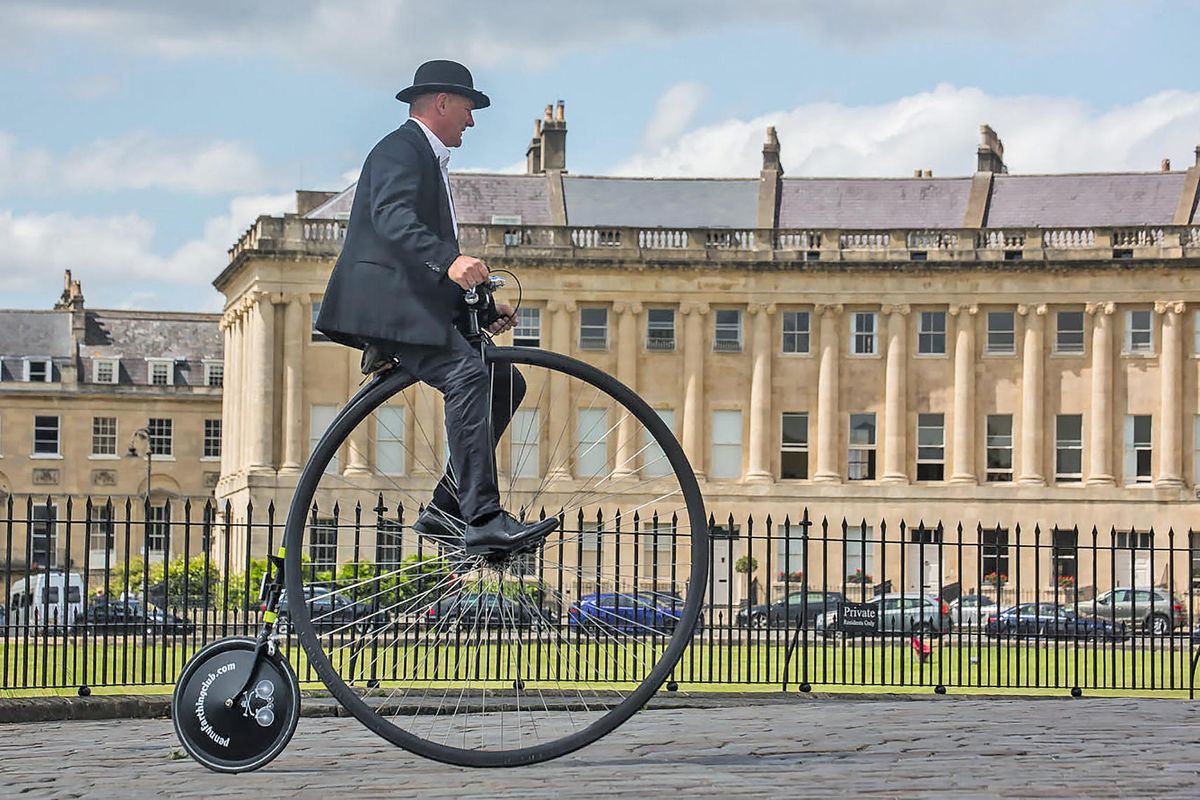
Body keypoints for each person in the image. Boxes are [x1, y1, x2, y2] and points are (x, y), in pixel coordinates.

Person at [315, 59, 557, 556]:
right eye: (468, 109)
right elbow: (392, 218)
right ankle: (483, 517)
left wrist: (486, 311)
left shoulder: (425, 159)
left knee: (504, 380)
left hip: (411, 304)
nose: (472, 121)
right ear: (442, 103)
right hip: (387, 309)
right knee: (466, 375)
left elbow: (420, 253)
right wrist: (451, 260)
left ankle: (446, 508)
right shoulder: (400, 149)